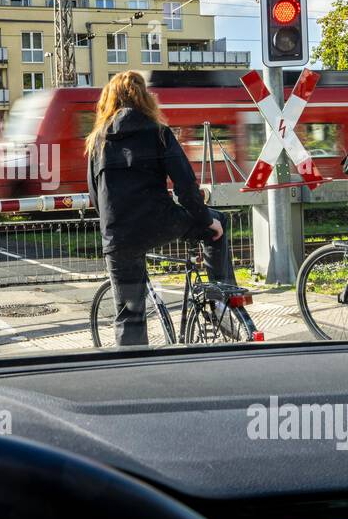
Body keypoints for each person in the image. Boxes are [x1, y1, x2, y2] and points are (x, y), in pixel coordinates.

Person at [85, 71, 236, 347]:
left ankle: (138, 378)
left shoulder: (97, 142)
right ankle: (219, 301)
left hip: (119, 237)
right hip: (161, 223)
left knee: (129, 315)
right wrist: (205, 221)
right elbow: (186, 187)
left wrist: (116, 232)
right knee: (220, 222)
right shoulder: (158, 133)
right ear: (145, 98)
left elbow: (96, 197)